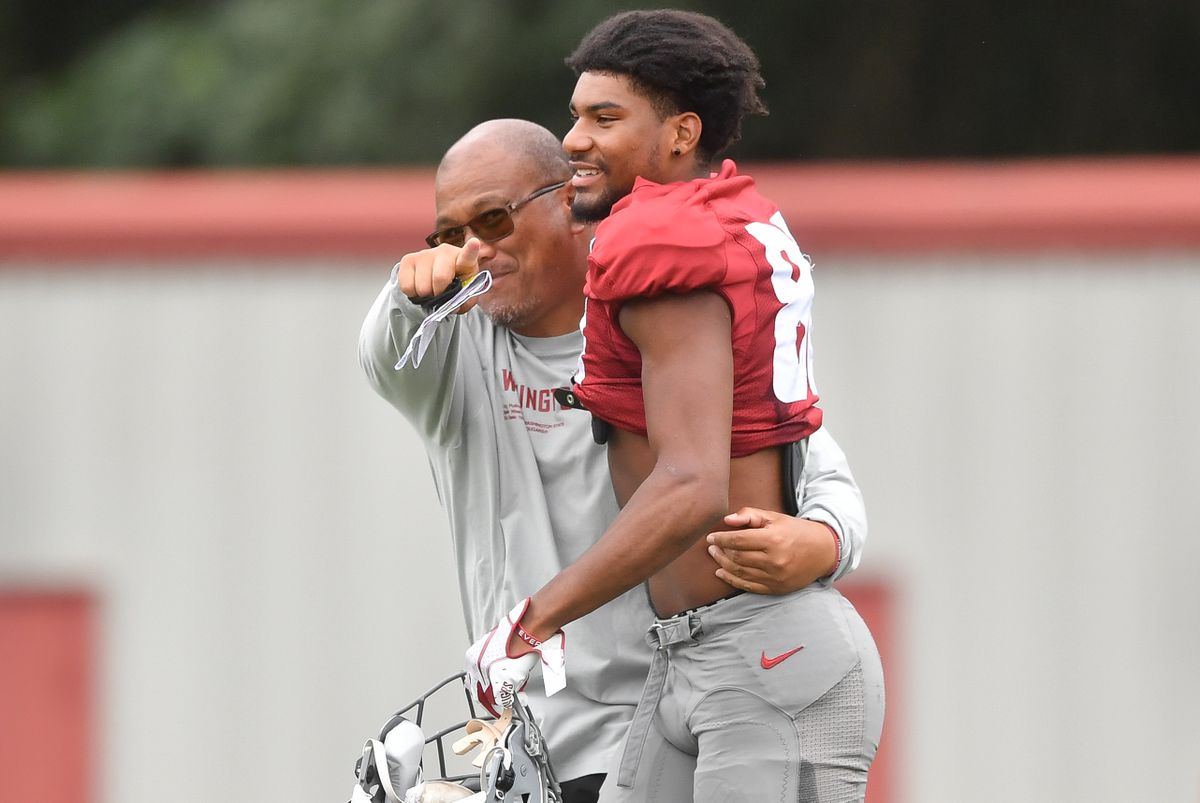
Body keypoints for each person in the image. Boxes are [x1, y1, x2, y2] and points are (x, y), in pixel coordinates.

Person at [359, 118, 870, 801]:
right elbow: (385, 357)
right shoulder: (454, 347)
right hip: (529, 745)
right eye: (450, 235)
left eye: (493, 219)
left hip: (672, 723)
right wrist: (407, 292)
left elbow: (822, 476)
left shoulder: (655, 317)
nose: (473, 249)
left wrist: (823, 540)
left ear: (570, 203)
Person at [465, 11, 884, 803]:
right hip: (690, 652)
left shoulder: (664, 237)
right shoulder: (725, 214)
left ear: (683, 132)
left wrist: (535, 617)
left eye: (605, 117)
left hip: (765, 655)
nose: (575, 140)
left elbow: (693, 484)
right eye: (576, 115)